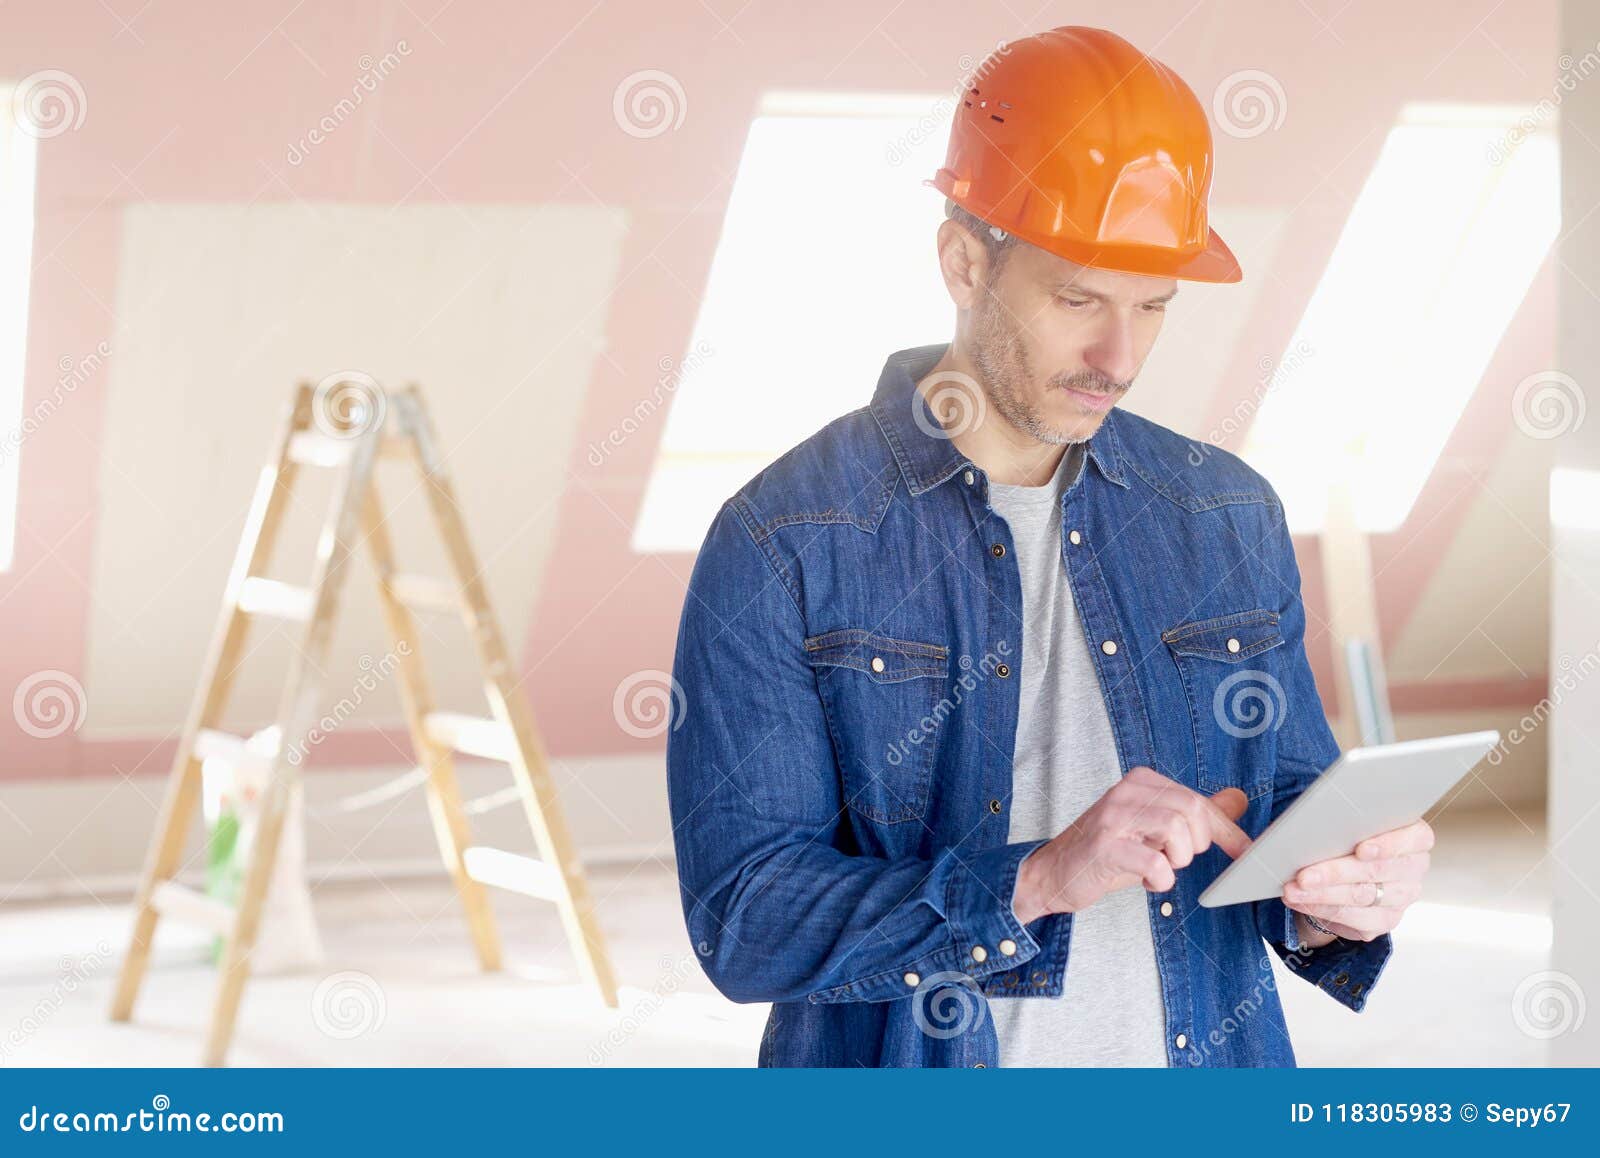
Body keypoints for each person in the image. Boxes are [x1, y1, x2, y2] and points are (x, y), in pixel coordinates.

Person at [665, 24, 1431, 1068]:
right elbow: (745, 920)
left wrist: (1341, 897)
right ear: (963, 262)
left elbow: (1283, 820)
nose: (1118, 357)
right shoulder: (787, 538)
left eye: (1152, 307)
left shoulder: (1225, 514)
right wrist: (1035, 879)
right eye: (1077, 299)